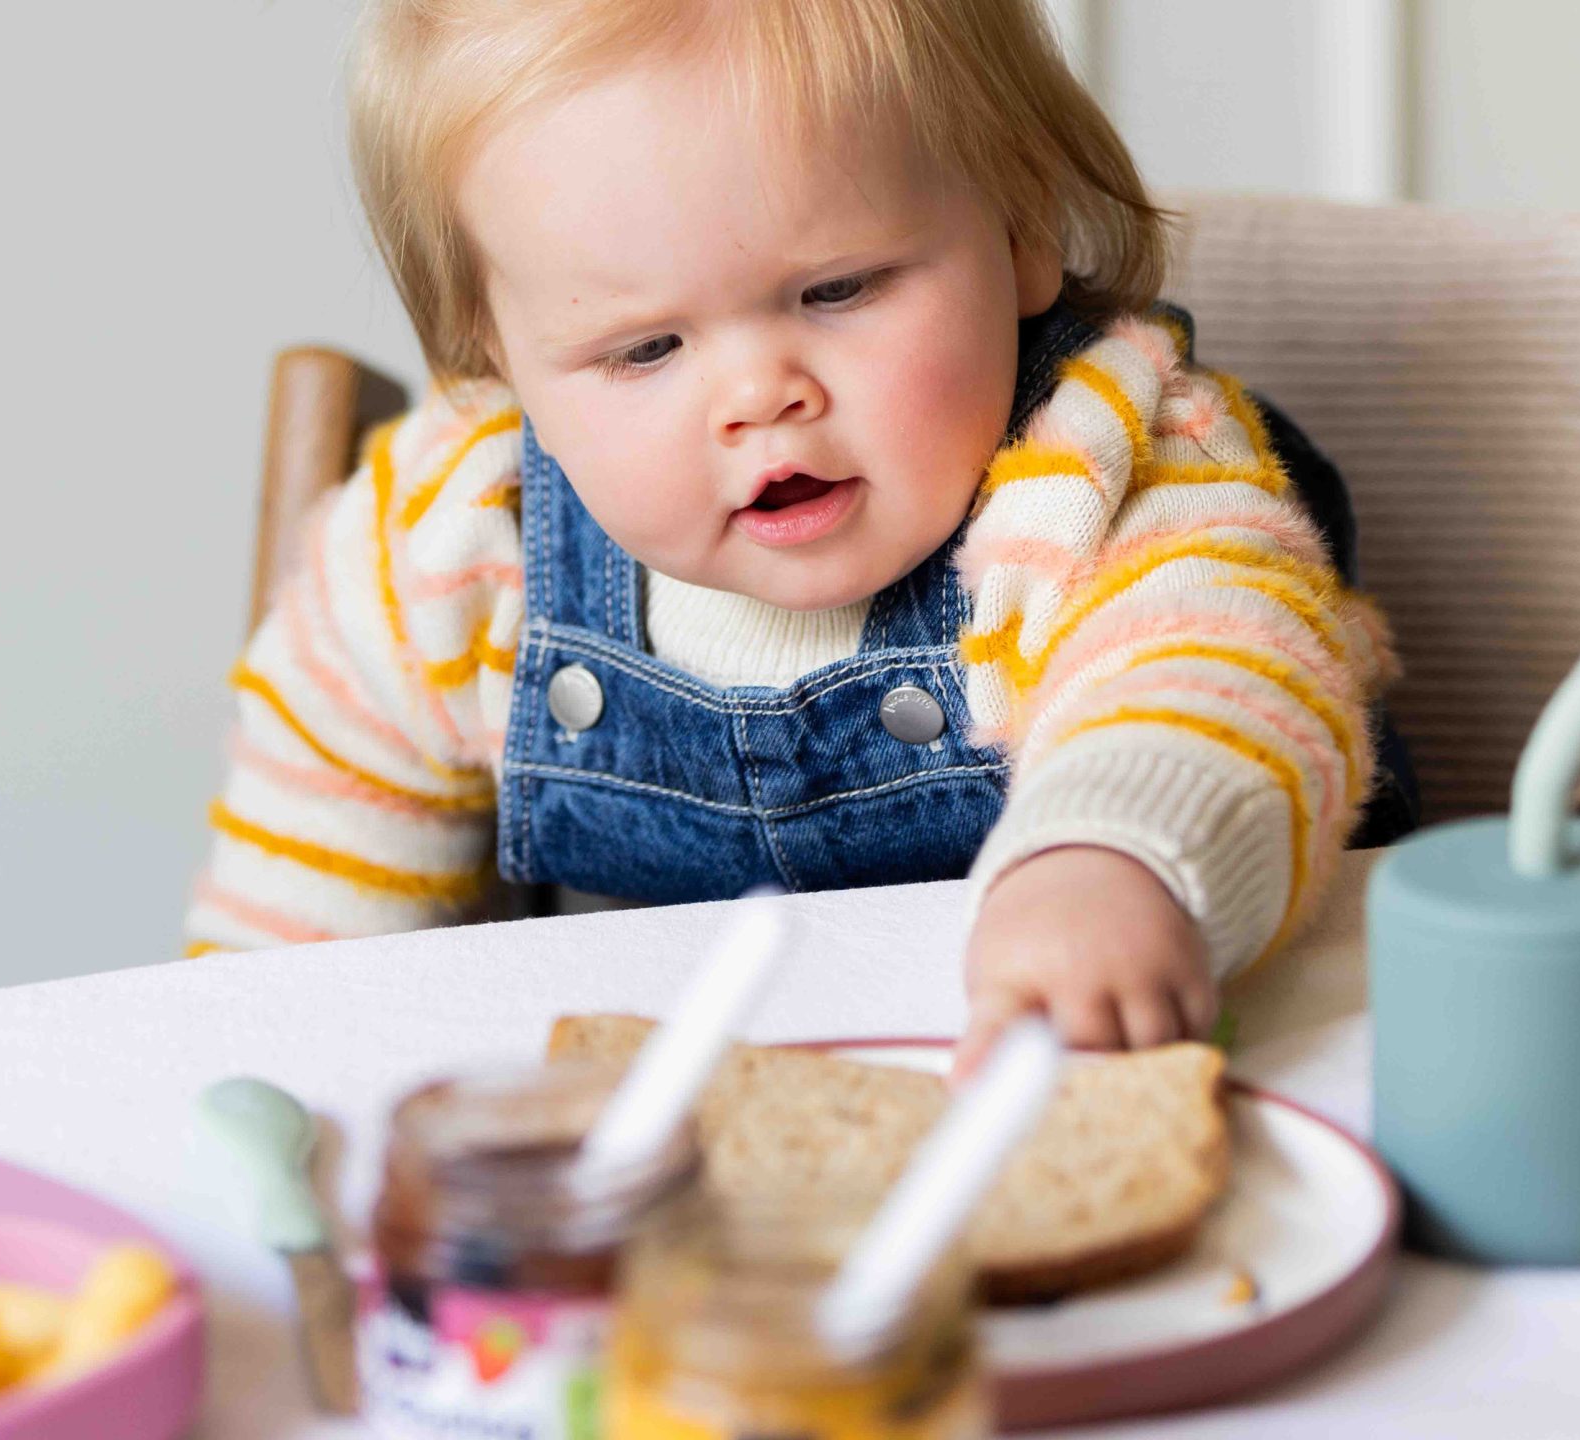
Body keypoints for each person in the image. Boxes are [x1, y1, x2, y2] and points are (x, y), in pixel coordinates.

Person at [185, 0, 1418, 1074]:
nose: (758, 396)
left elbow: (1208, 674)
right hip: (656, 1169)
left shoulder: (1105, 464)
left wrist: (1115, 862)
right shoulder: (458, 539)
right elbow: (290, 950)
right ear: (498, 358)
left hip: (1074, 1089)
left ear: (1023, 225)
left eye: (837, 290)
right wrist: (266, 1065)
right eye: (645, 350)